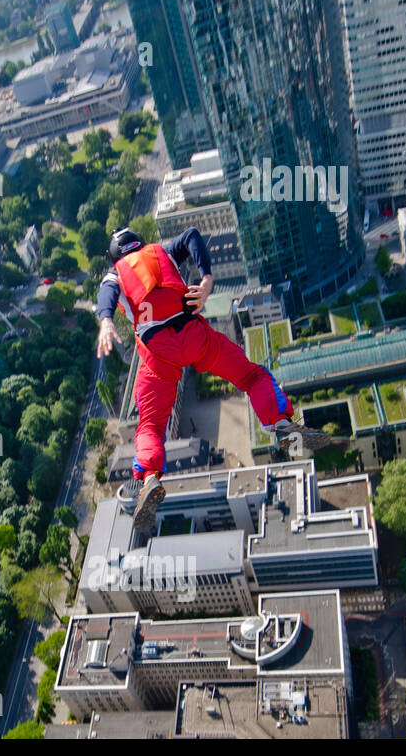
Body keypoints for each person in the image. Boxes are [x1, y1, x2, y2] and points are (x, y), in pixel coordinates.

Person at [94, 226, 328, 531]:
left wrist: (105, 320)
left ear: (114, 257)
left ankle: (150, 477)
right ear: (139, 242)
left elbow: (107, 293)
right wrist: (206, 279)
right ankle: (282, 426)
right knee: (250, 375)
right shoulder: (161, 251)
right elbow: (192, 235)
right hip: (193, 334)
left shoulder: (117, 273)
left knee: (150, 425)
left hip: (157, 352)